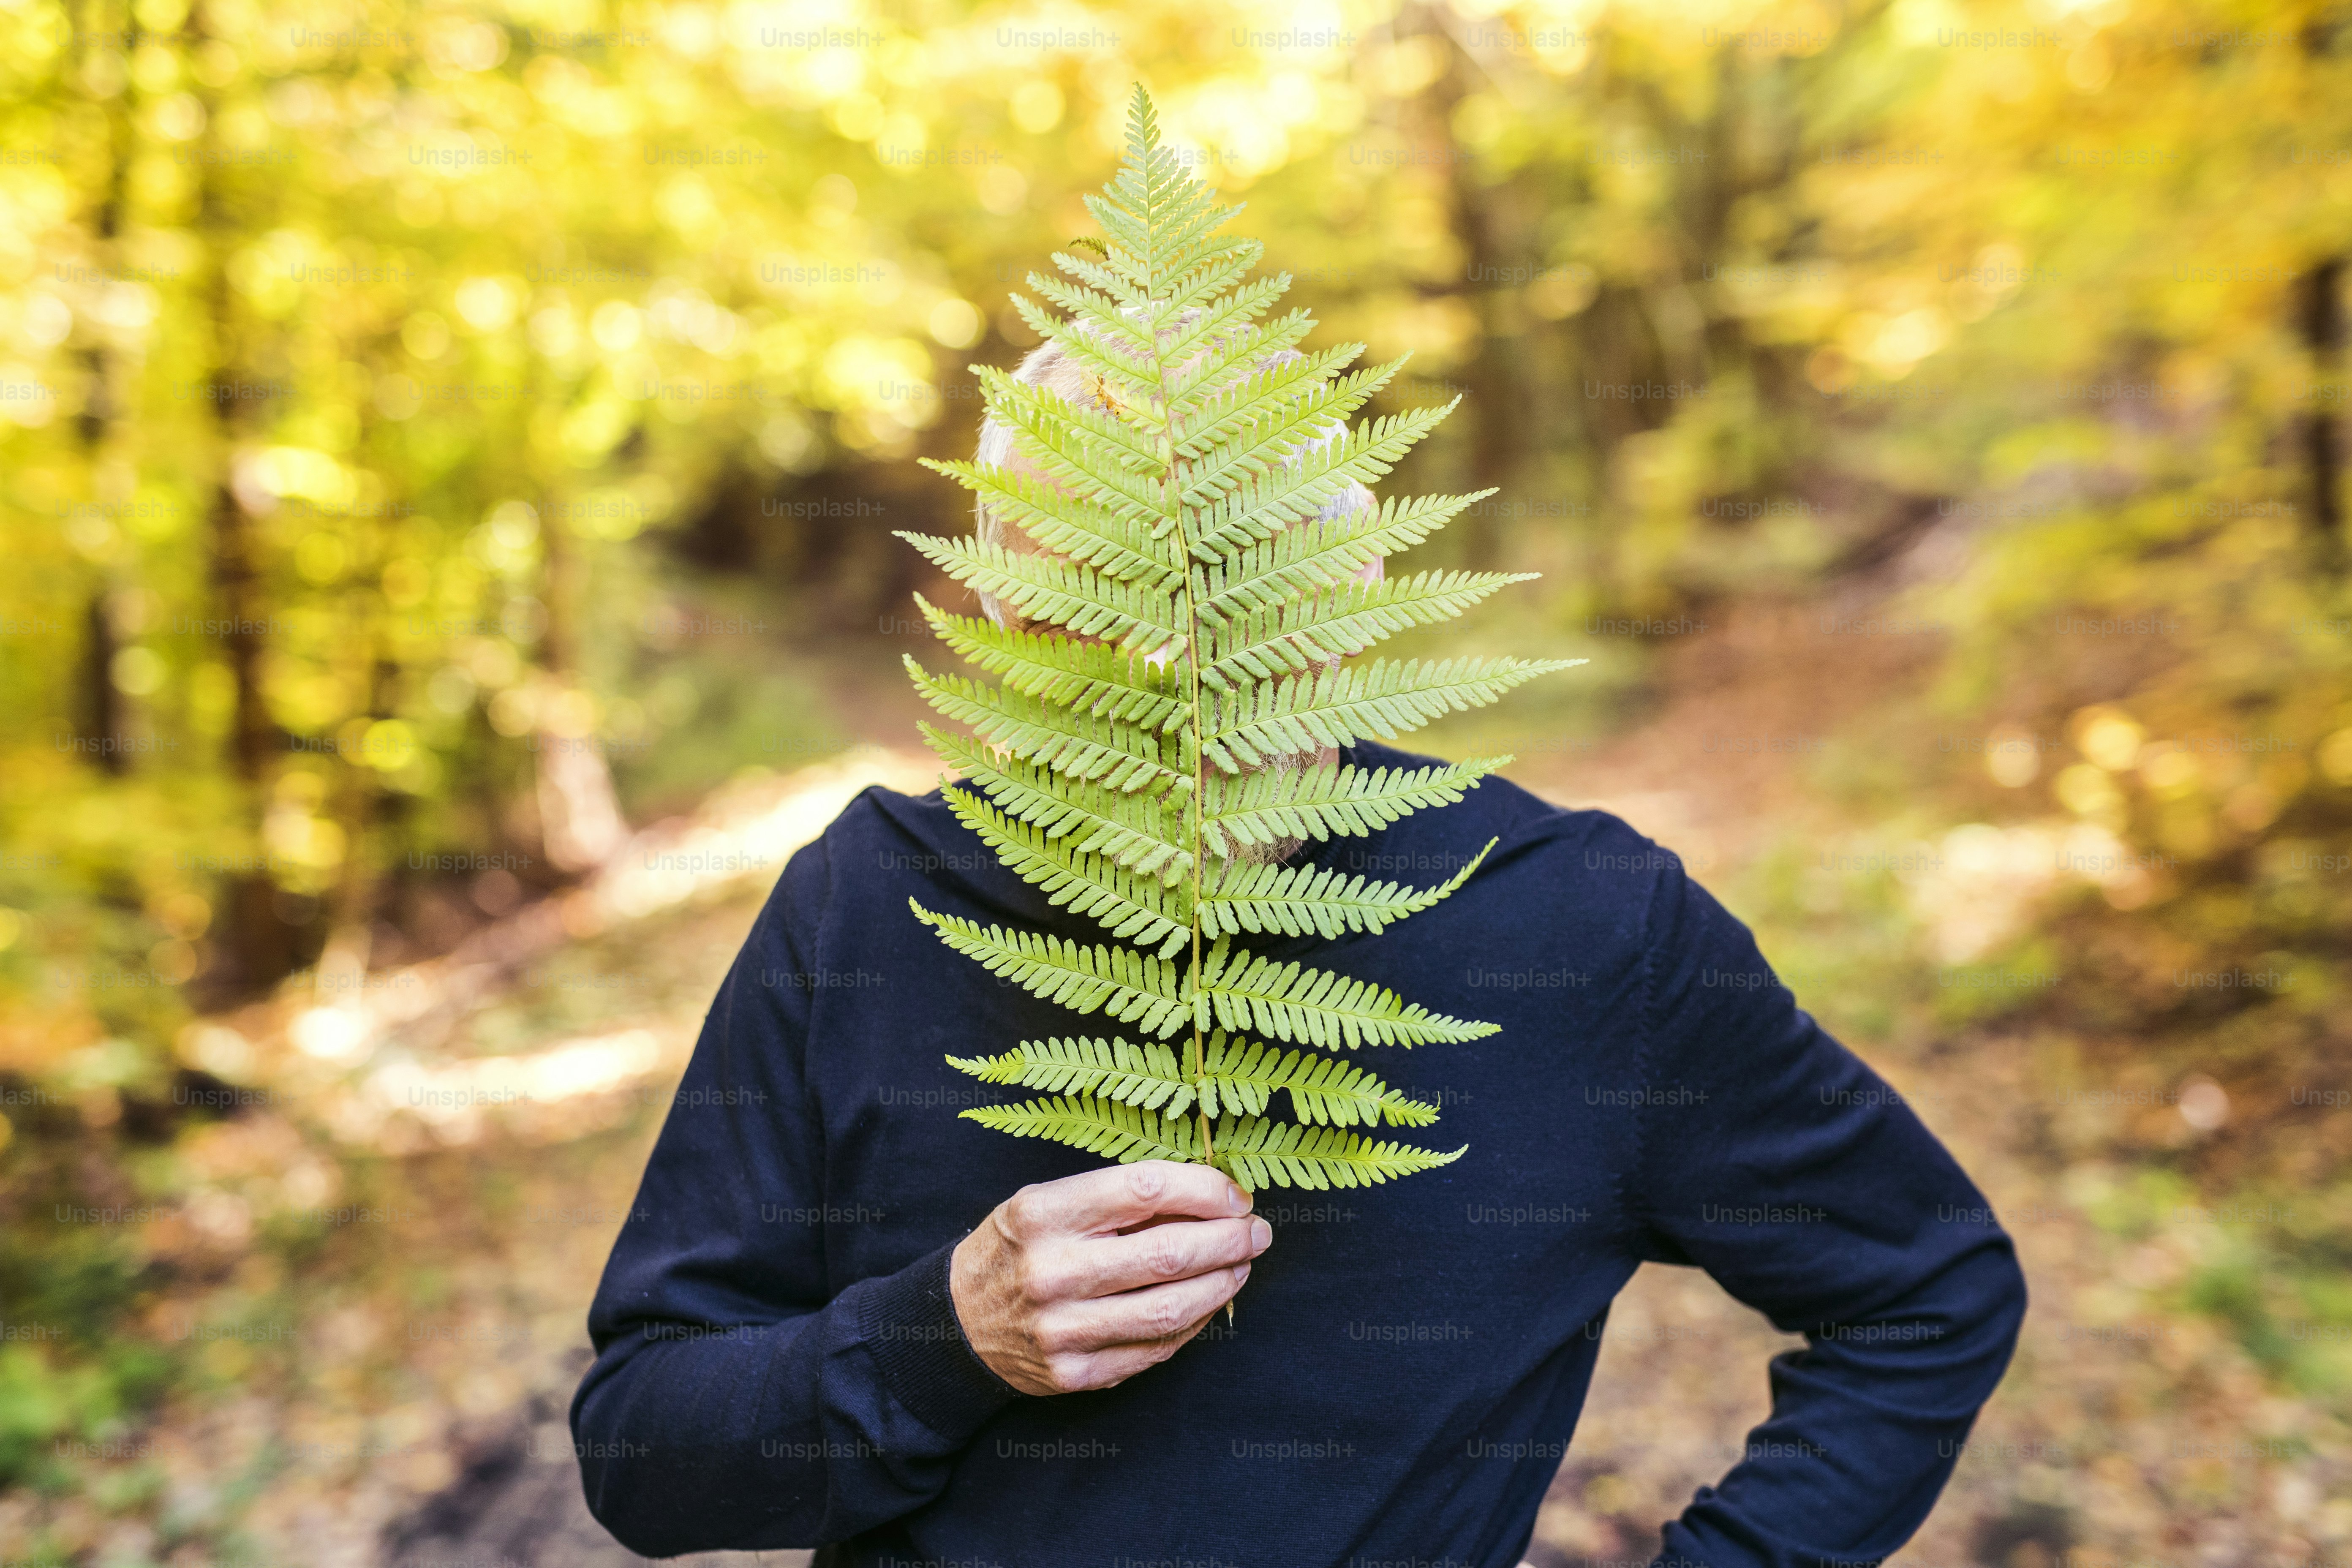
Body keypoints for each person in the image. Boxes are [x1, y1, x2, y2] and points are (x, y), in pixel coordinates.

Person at [569, 338, 2029, 1568]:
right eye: (1096, 609)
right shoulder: (872, 904)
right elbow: (642, 1451)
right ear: (1005, 618)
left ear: (1356, 579)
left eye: (1247, 592)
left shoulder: (1582, 929)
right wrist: (939, 1339)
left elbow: (1924, 1292)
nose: (1175, 679)